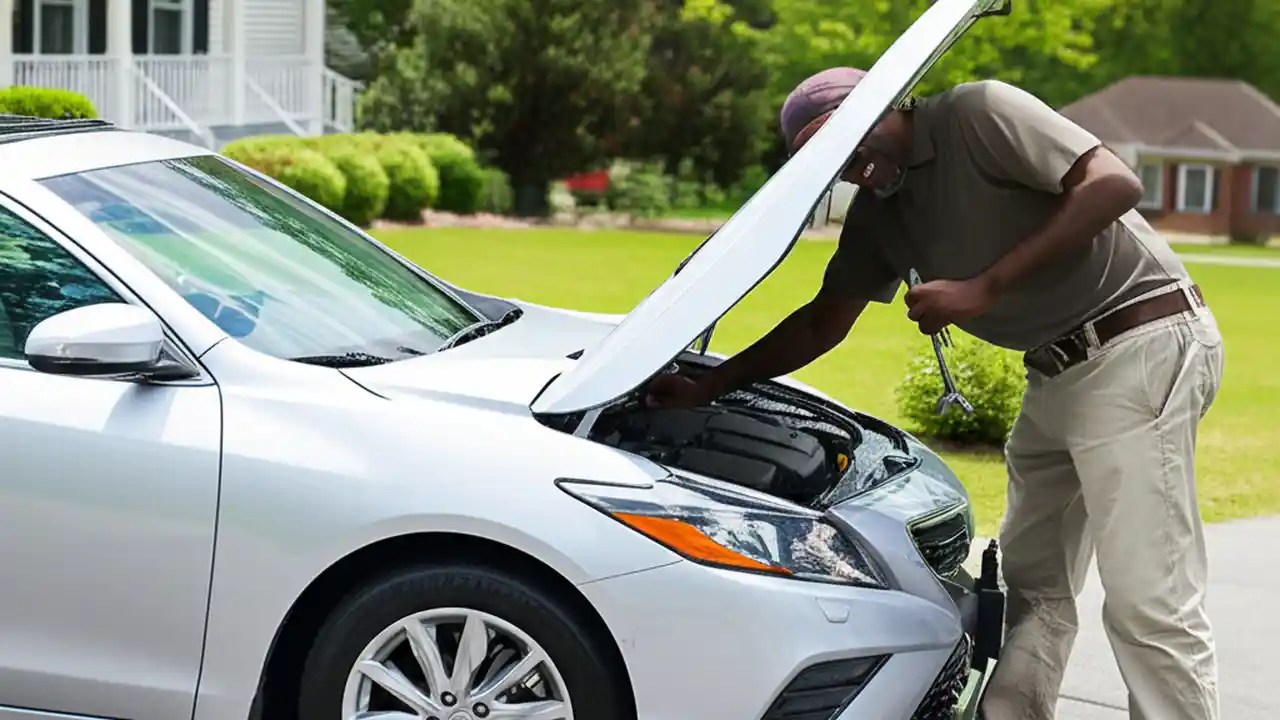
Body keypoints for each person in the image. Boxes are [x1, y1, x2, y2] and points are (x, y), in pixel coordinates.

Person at [646, 67, 1224, 720]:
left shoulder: (979, 113)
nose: (847, 169)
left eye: (842, 142)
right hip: (1056, 373)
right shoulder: (879, 216)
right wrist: (710, 385)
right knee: (1034, 584)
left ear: (883, 104)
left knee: (1150, 595)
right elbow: (824, 320)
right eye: (825, 160)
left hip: (1138, 339)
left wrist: (984, 287)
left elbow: (1115, 182)